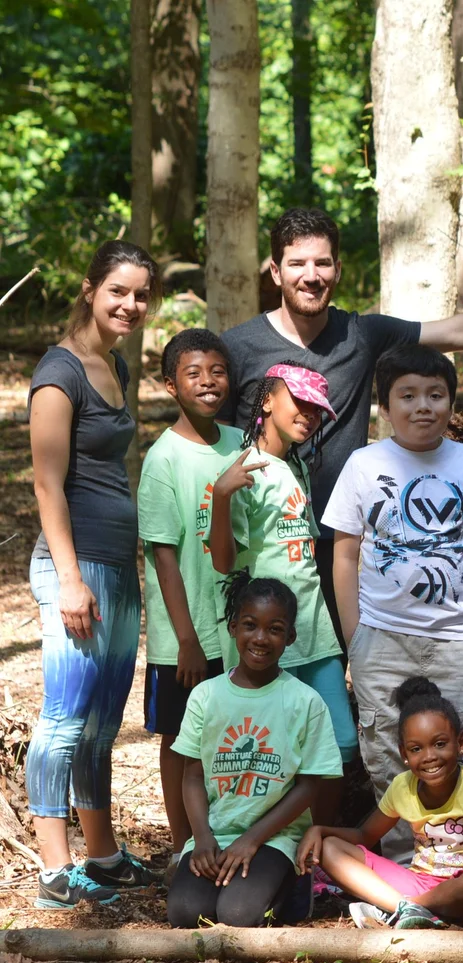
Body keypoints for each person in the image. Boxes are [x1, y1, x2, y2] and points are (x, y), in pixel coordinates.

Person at [217, 207, 463, 638]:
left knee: (336, 667)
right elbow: (214, 447)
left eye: (322, 262)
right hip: (262, 543)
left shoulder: (361, 334)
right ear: (276, 272)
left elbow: (456, 332)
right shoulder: (237, 347)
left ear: (338, 269)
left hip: (343, 543)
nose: (311, 275)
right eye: (297, 263)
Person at [321, 344, 463, 860]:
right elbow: (345, 553)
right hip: (382, 638)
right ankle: (406, 870)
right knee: (388, 755)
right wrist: (355, 638)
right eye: (409, 395)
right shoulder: (364, 463)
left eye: (436, 395)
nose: (424, 406)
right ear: (385, 407)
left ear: (452, 401)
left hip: (457, 638)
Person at [28, 240, 163, 909]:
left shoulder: (110, 364)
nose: (130, 305)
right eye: (118, 291)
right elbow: (48, 486)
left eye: (141, 294)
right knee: (64, 718)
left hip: (115, 565)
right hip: (74, 567)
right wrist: (70, 578)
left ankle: (101, 853)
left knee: (103, 722)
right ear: (91, 289)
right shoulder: (60, 371)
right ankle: (56, 866)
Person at [209, 362, 356, 821]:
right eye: (300, 402)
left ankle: (320, 844)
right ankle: (275, 846)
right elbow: (222, 561)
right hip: (266, 635)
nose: (309, 415)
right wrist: (220, 496)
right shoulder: (241, 467)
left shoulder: (295, 466)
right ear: (267, 400)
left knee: (341, 742)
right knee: (271, 747)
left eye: (317, 408)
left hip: (313, 630)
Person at [166, 572, 342, 928]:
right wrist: (200, 838)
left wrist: (251, 840)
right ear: (233, 628)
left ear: (289, 637)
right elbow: (192, 776)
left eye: (274, 629)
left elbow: (309, 785)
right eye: (250, 625)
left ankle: (294, 885)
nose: (260, 638)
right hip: (215, 832)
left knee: (238, 915)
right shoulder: (206, 695)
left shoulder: (304, 702)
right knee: (186, 915)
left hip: (275, 837)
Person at [139, 329, 244, 875]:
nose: (208, 382)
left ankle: (221, 835)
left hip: (237, 630)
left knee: (226, 733)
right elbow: (163, 558)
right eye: (194, 373)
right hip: (185, 634)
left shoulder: (238, 442)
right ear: (170, 385)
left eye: (218, 371)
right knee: (181, 740)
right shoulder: (163, 459)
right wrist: (186, 639)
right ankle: (184, 849)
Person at [297, 677, 463, 929]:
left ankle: (401, 909)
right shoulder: (403, 787)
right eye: (416, 749)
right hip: (417, 881)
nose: (429, 757)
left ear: (461, 743)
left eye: (440, 744)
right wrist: (320, 830)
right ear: (403, 754)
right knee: (329, 848)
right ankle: (410, 909)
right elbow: (365, 835)